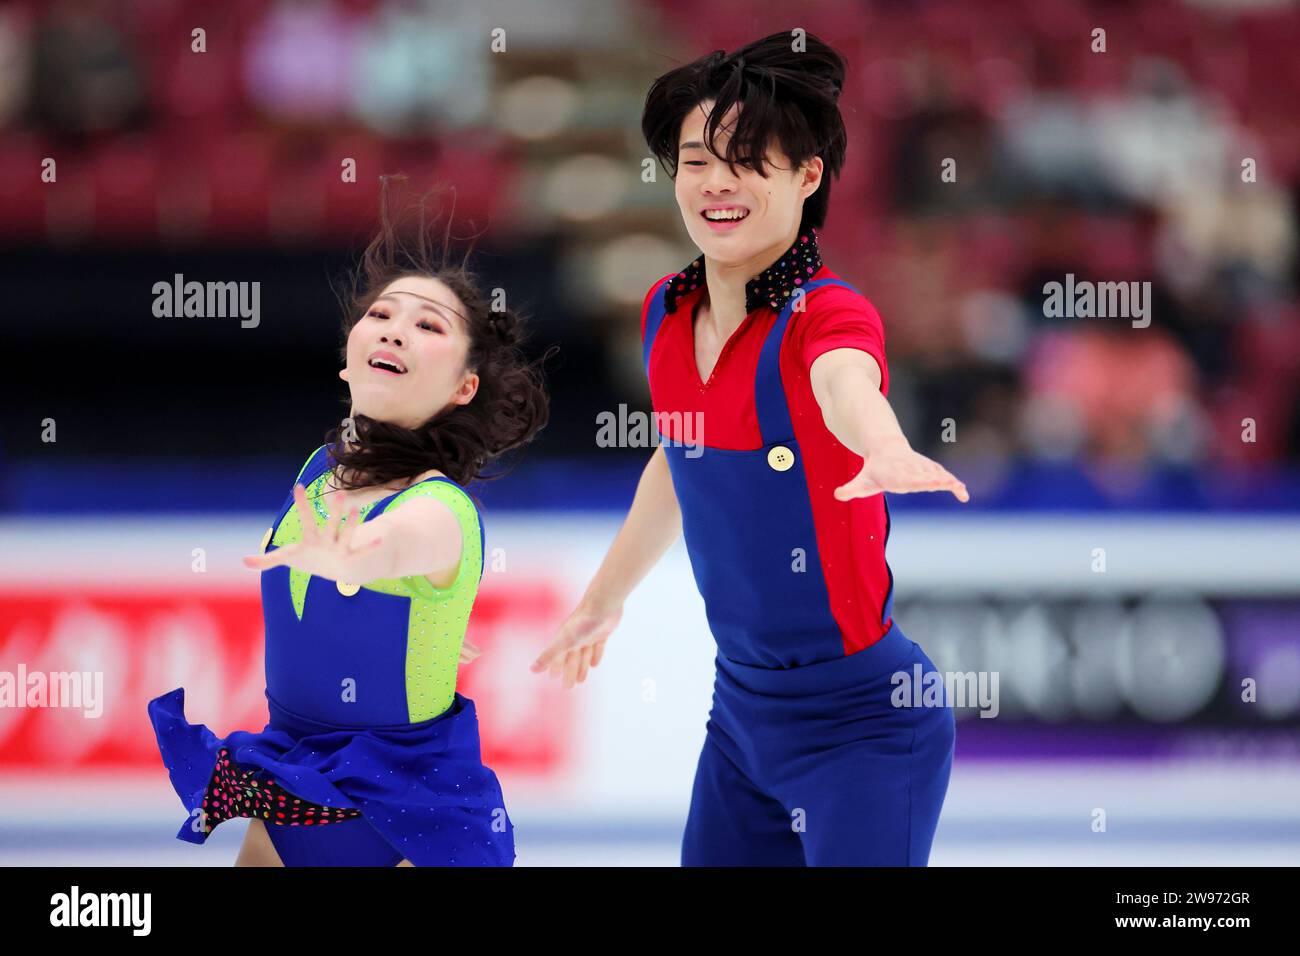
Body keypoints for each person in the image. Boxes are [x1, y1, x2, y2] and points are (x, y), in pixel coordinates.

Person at [533, 31, 968, 866]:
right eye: (696, 160)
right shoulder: (665, 308)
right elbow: (680, 463)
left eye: (746, 160)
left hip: (867, 726)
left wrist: (883, 445)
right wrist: (603, 597)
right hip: (739, 720)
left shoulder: (826, 315)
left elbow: (849, 387)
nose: (716, 183)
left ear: (807, 178)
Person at [147, 180, 550, 866]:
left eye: (429, 325)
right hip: (294, 779)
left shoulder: (440, 509)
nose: (395, 326)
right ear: (350, 355)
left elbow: (391, 547)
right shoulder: (316, 469)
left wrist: (355, 560)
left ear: (463, 387)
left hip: (404, 807)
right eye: (382, 314)